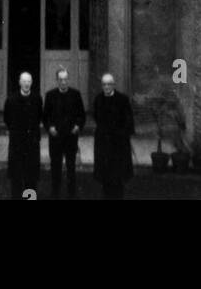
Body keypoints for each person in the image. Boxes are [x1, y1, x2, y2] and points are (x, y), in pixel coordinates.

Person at [42, 67, 86, 199]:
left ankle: (71, 193)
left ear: (68, 80)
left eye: (65, 79)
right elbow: (45, 116)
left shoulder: (76, 94)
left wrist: (78, 126)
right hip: (55, 137)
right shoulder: (50, 95)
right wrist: (49, 128)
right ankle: (55, 193)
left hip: (71, 137)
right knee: (55, 166)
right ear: (57, 80)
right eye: (60, 79)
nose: (63, 82)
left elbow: (81, 115)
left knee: (71, 166)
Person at [91, 72, 135, 200]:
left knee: (118, 176)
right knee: (105, 177)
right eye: (104, 84)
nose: (106, 87)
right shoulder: (98, 99)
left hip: (118, 144)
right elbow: (97, 118)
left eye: (109, 84)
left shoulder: (122, 99)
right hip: (104, 143)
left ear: (113, 85)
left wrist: (121, 135)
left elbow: (128, 121)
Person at [3, 71, 42, 199]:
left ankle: (30, 198)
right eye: (24, 81)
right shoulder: (11, 100)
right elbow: (7, 118)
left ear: (31, 83)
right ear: (20, 82)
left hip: (32, 143)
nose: (26, 84)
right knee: (16, 176)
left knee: (31, 177)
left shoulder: (37, 99)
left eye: (29, 81)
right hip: (17, 143)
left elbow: (39, 117)